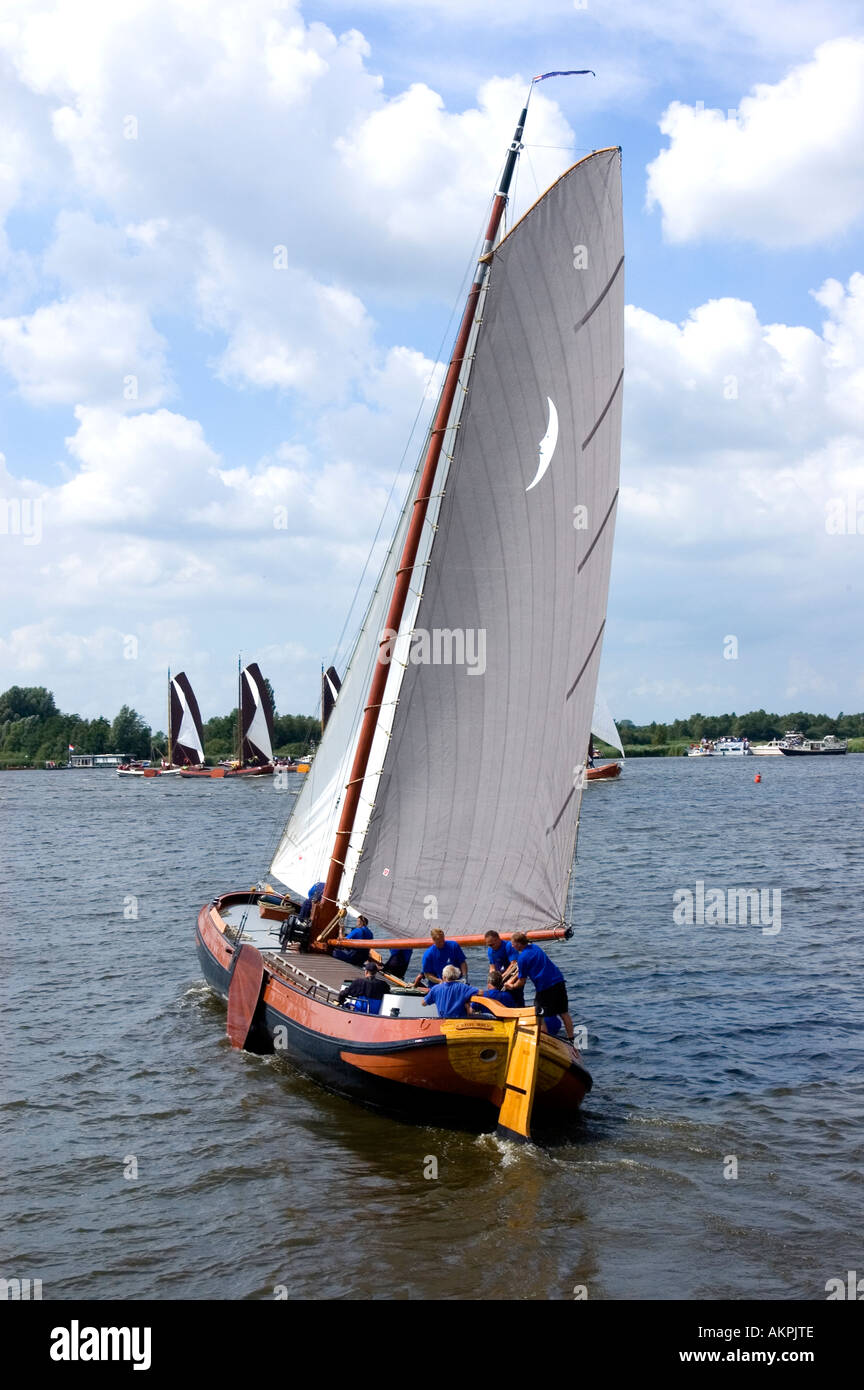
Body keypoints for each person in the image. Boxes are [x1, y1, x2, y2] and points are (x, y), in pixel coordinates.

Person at [508, 933, 576, 1043]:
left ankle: (544, 1039)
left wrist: (511, 986)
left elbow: (522, 981)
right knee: (563, 1012)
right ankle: (572, 1040)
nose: (512, 946)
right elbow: (523, 971)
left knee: (538, 1012)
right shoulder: (535, 947)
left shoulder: (522, 958)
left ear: (519, 944)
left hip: (545, 987)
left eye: (513, 944)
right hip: (558, 981)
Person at [483, 931, 524, 1005]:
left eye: (492, 944)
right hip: (500, 980)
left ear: (498, 939)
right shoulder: (490, 950)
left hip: (513, 977)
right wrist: (491, 980)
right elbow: (492, 967)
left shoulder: (509, 946)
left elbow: (514, 964)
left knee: (517, 999)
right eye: (488, 945)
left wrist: (502, 976)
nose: (491, 947)